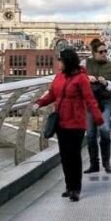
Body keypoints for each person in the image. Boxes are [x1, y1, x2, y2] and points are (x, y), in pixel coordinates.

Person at [35, 48, 105, 201]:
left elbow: (90, 99)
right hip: (61, 122)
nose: (58, 63)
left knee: (74, 156)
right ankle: (68, 186)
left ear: (67, 61)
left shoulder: (81, 78)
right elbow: (52, 94)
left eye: (60, 60)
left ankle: (76, 189)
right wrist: (40, 103)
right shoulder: (59, 77)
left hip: (76, 123)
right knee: (65, 156)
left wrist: (98, 118)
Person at [84, 39, 111, 174]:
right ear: (94, 53)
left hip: (105, 102)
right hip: (90, 103)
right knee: (91, 135)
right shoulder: (85, 64)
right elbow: (78, 78)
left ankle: (106, 162)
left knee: (105, 130)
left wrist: (107, 82)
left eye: (105, 51)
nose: (104, 54)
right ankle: (94, 164)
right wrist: (87, 79)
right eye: (101, 52)